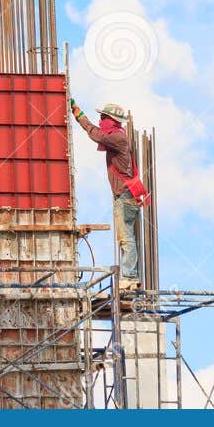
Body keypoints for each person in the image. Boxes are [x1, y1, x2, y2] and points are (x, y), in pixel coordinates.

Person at [70, 100, 147, 292]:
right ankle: (130, 276)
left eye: (104, 117)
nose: (101, 120)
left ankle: (129, 276)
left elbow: (95, 134)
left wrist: (78, 113)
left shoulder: (118, 138)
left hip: (125, 196)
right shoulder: (117, 137)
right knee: (124, 237)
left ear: (112, 120)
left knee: (125, 238)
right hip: (125, 195)